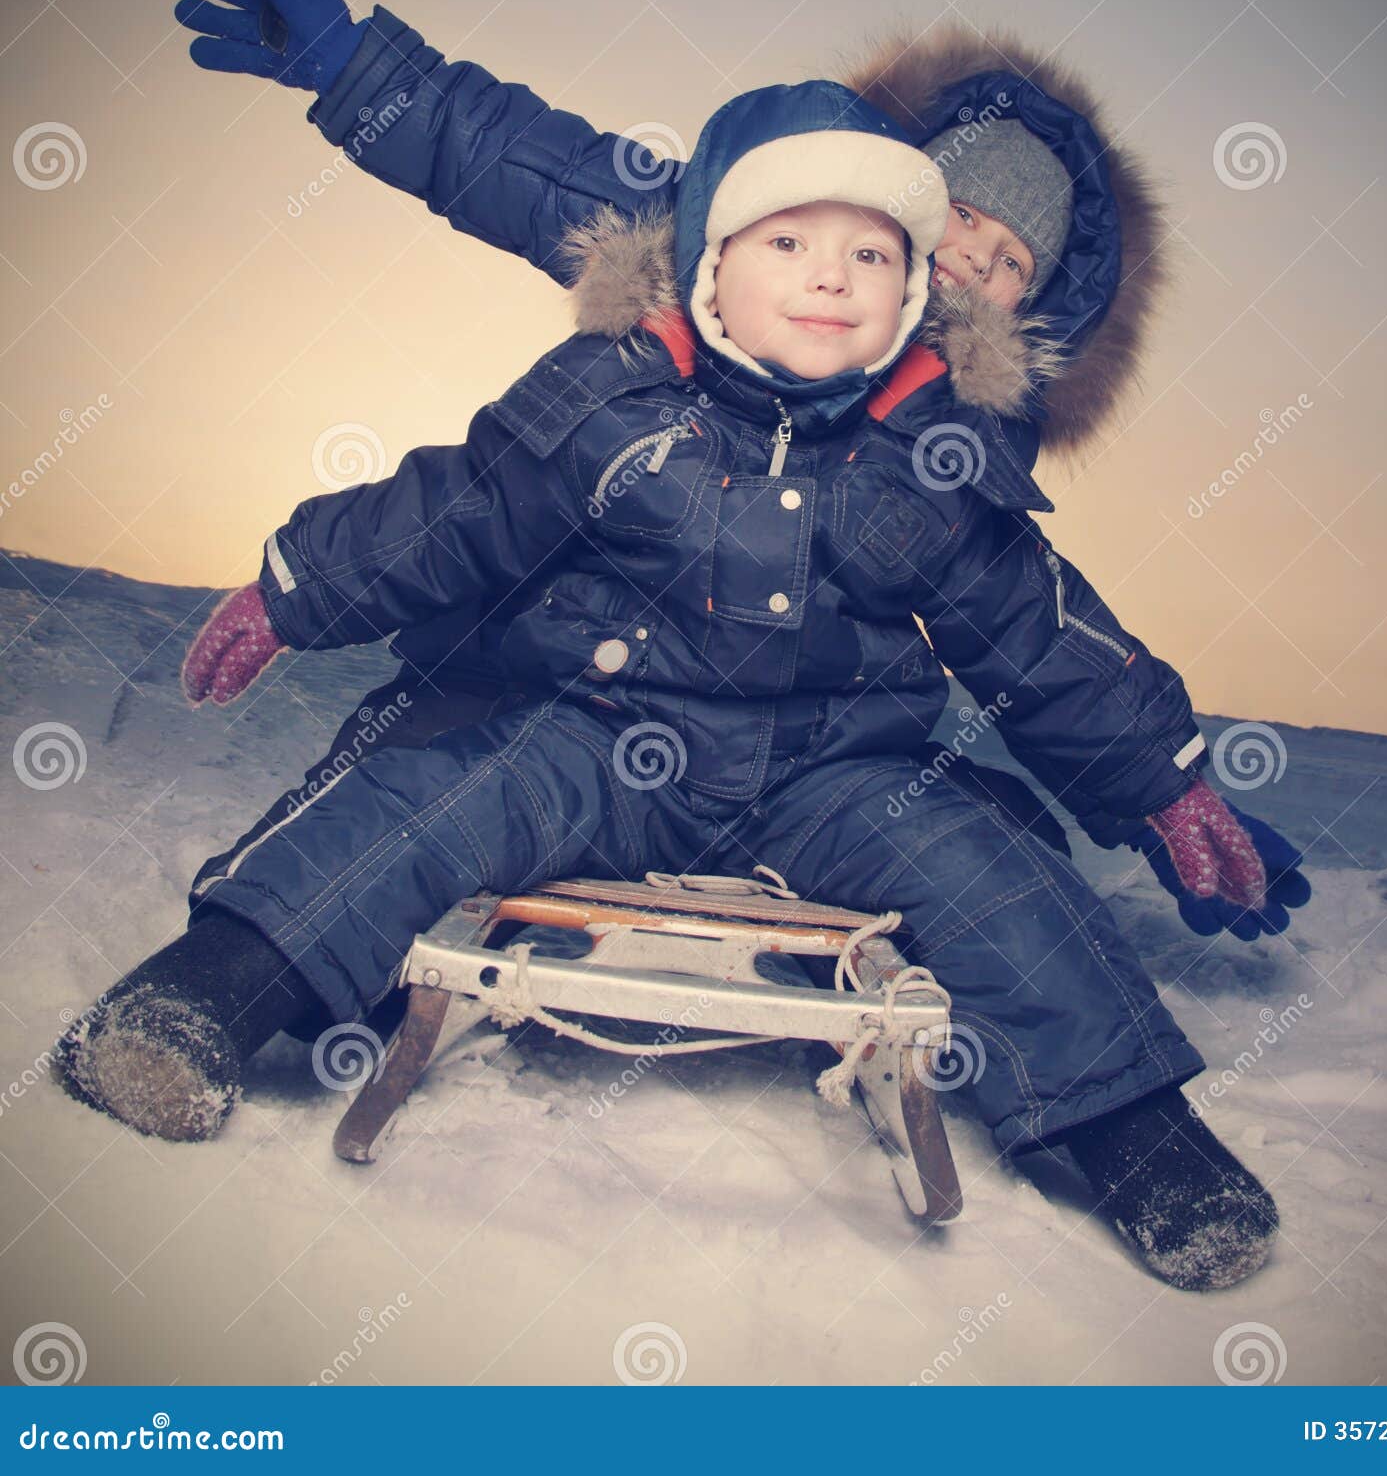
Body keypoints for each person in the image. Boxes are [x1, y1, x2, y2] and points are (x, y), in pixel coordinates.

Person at [56, 66, 1309, 1293]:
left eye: (877, 258)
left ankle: (1136, 1132)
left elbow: (1034, 630)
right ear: (710, 260)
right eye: (792, 245)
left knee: (984, 865)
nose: (833, 275)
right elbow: (460, 510)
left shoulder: (939, 453)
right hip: (595, 729)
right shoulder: (619, 395)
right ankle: (207, 995)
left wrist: (1162, 781)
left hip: (832, 770)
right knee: (435, 795)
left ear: (913, 288)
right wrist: (300, 585)